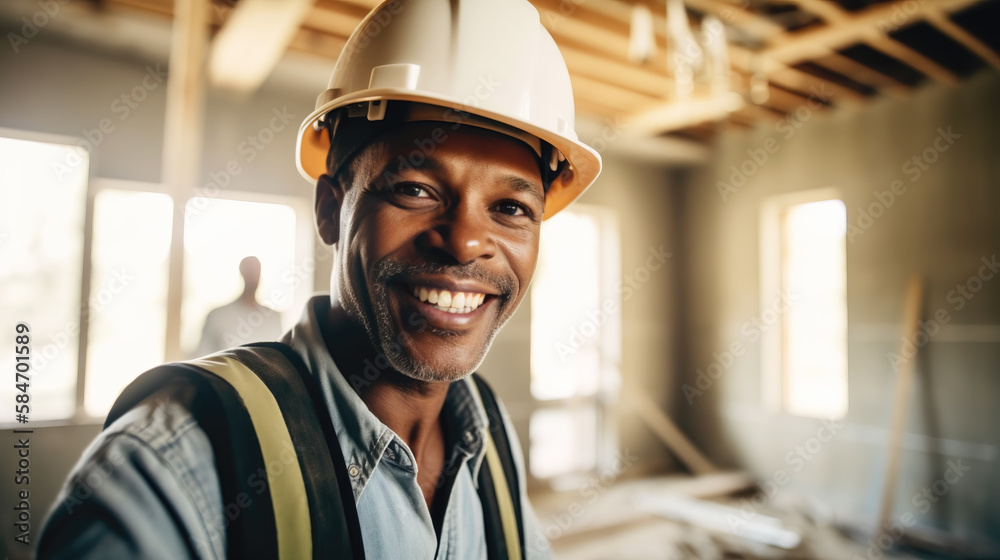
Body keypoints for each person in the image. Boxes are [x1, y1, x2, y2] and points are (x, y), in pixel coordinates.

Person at [38, 0, 602, 558]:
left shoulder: (487, 433)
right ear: (331, 210)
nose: (464, 241)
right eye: (416, 190)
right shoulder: (177, 465)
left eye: (510, 208)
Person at [195, 256, 283, 356]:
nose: (253, 276)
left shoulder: (273, 317)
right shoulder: (217, 316)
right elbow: (201, 357)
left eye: (255, 271)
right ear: (242, 273)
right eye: (249, 271)